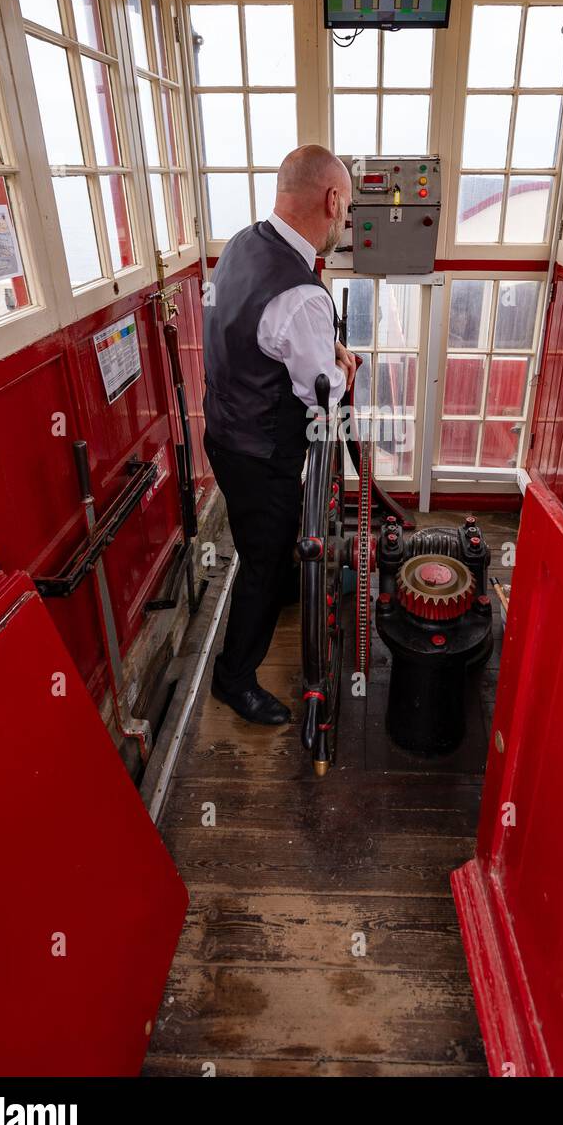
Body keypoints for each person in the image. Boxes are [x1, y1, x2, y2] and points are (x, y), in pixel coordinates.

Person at [202, 144, 357, 725]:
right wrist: (341, 367)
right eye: (345, 208)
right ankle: (234, 679)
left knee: (261, 542)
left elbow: (258, 338)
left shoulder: (245, 242)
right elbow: (322, 395)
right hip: (262, 451)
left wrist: (324, 352)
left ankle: (284, 582)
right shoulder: (302, 294)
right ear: (332, 199)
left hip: (224, 432)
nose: (344, 220)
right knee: (260, 562)